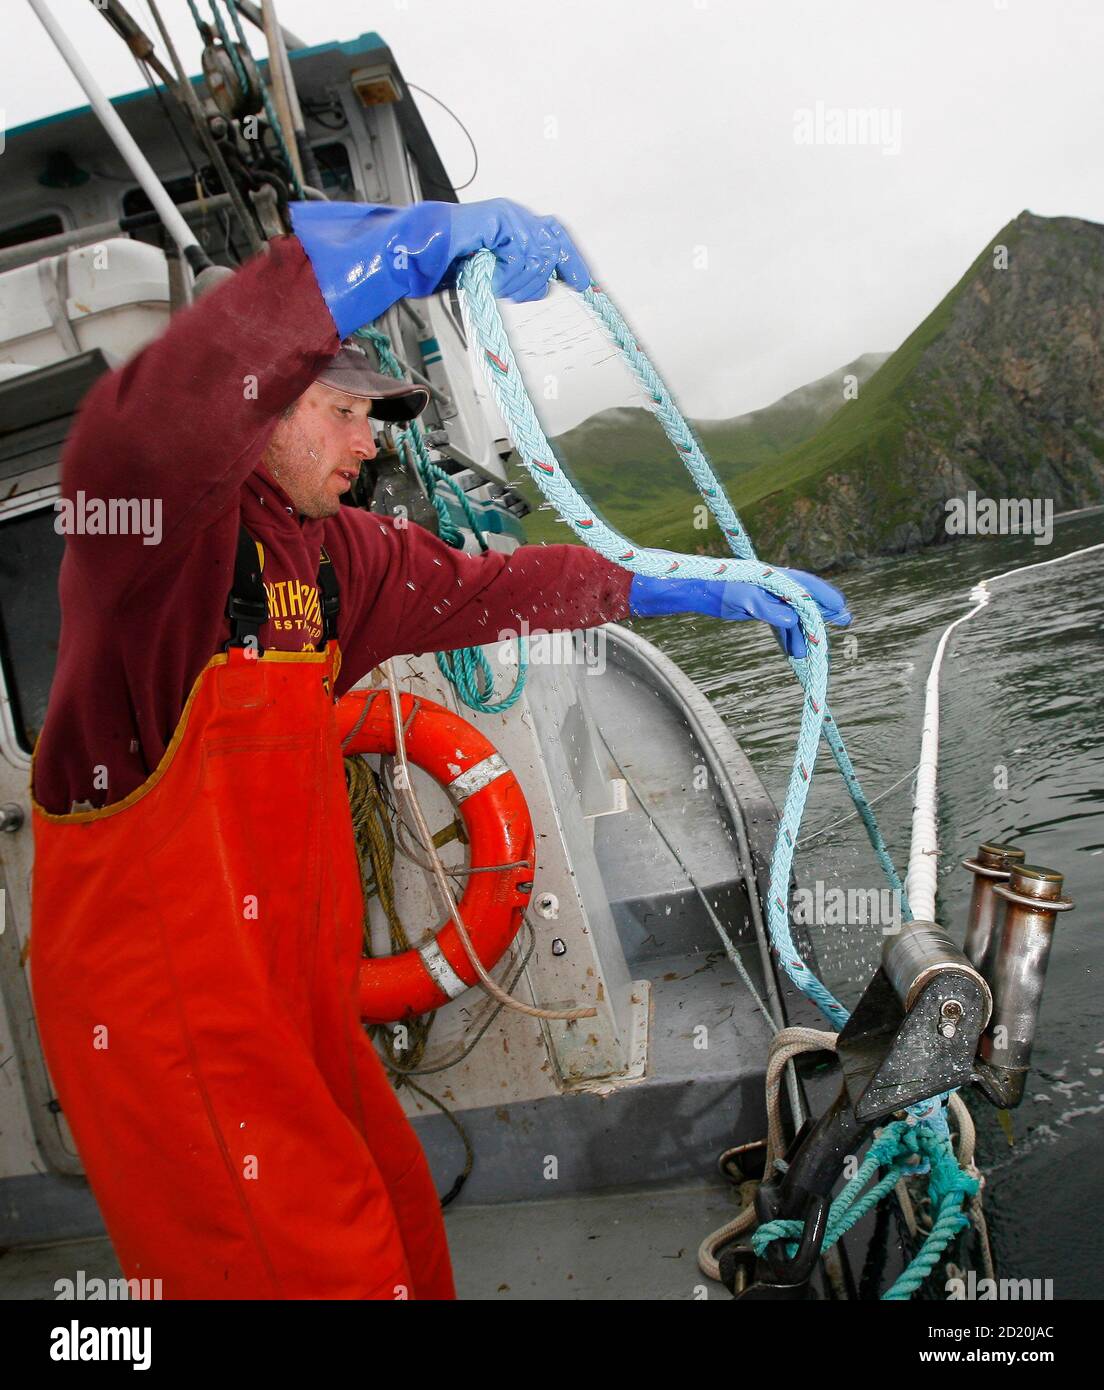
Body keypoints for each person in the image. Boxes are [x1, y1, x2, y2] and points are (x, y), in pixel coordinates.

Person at [28, 197, 849, 1300]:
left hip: (297, 1002)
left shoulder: (329, 558)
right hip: (178, 1037)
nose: (373, 440)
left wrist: (677, 586)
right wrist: (393, 250)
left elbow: (492, 584)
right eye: (347, 409)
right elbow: (144, 427)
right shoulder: (159, 542)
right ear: (262, 407)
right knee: (313, 1270)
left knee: (400, 1215)